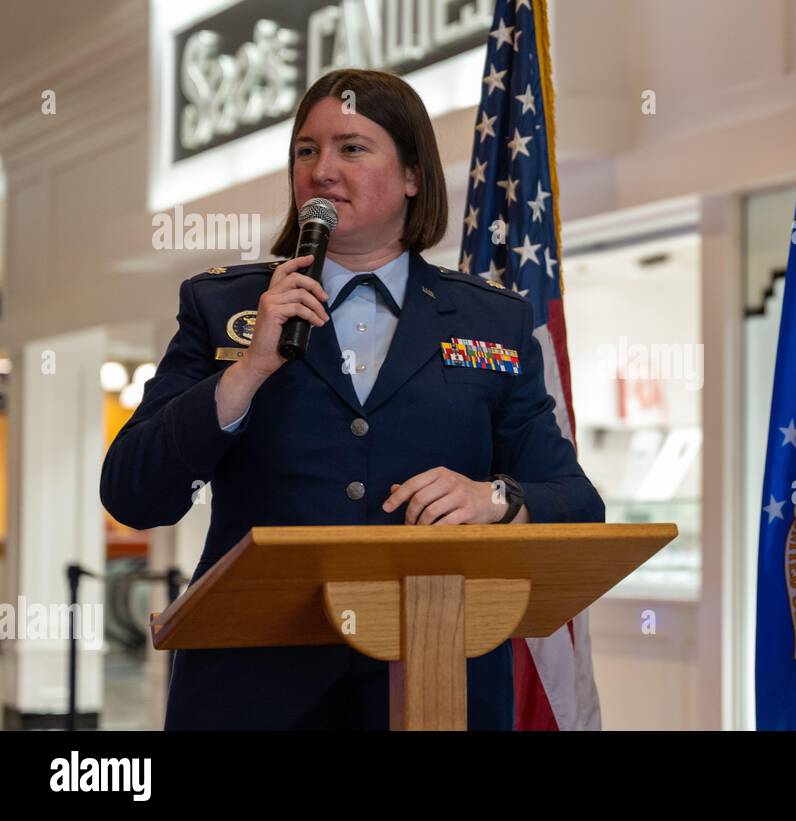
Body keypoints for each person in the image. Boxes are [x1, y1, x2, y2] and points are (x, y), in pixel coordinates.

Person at [100, 68, 604, 730]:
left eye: (351, 148)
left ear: (413, 176)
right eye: (306, 151)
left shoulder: (492, 321)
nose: (321, 170)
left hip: (436, 684)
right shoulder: (224, 307)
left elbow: (578, 501)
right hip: (249, 693)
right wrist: (245, 374)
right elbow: (133, 491)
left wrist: (496, 497)